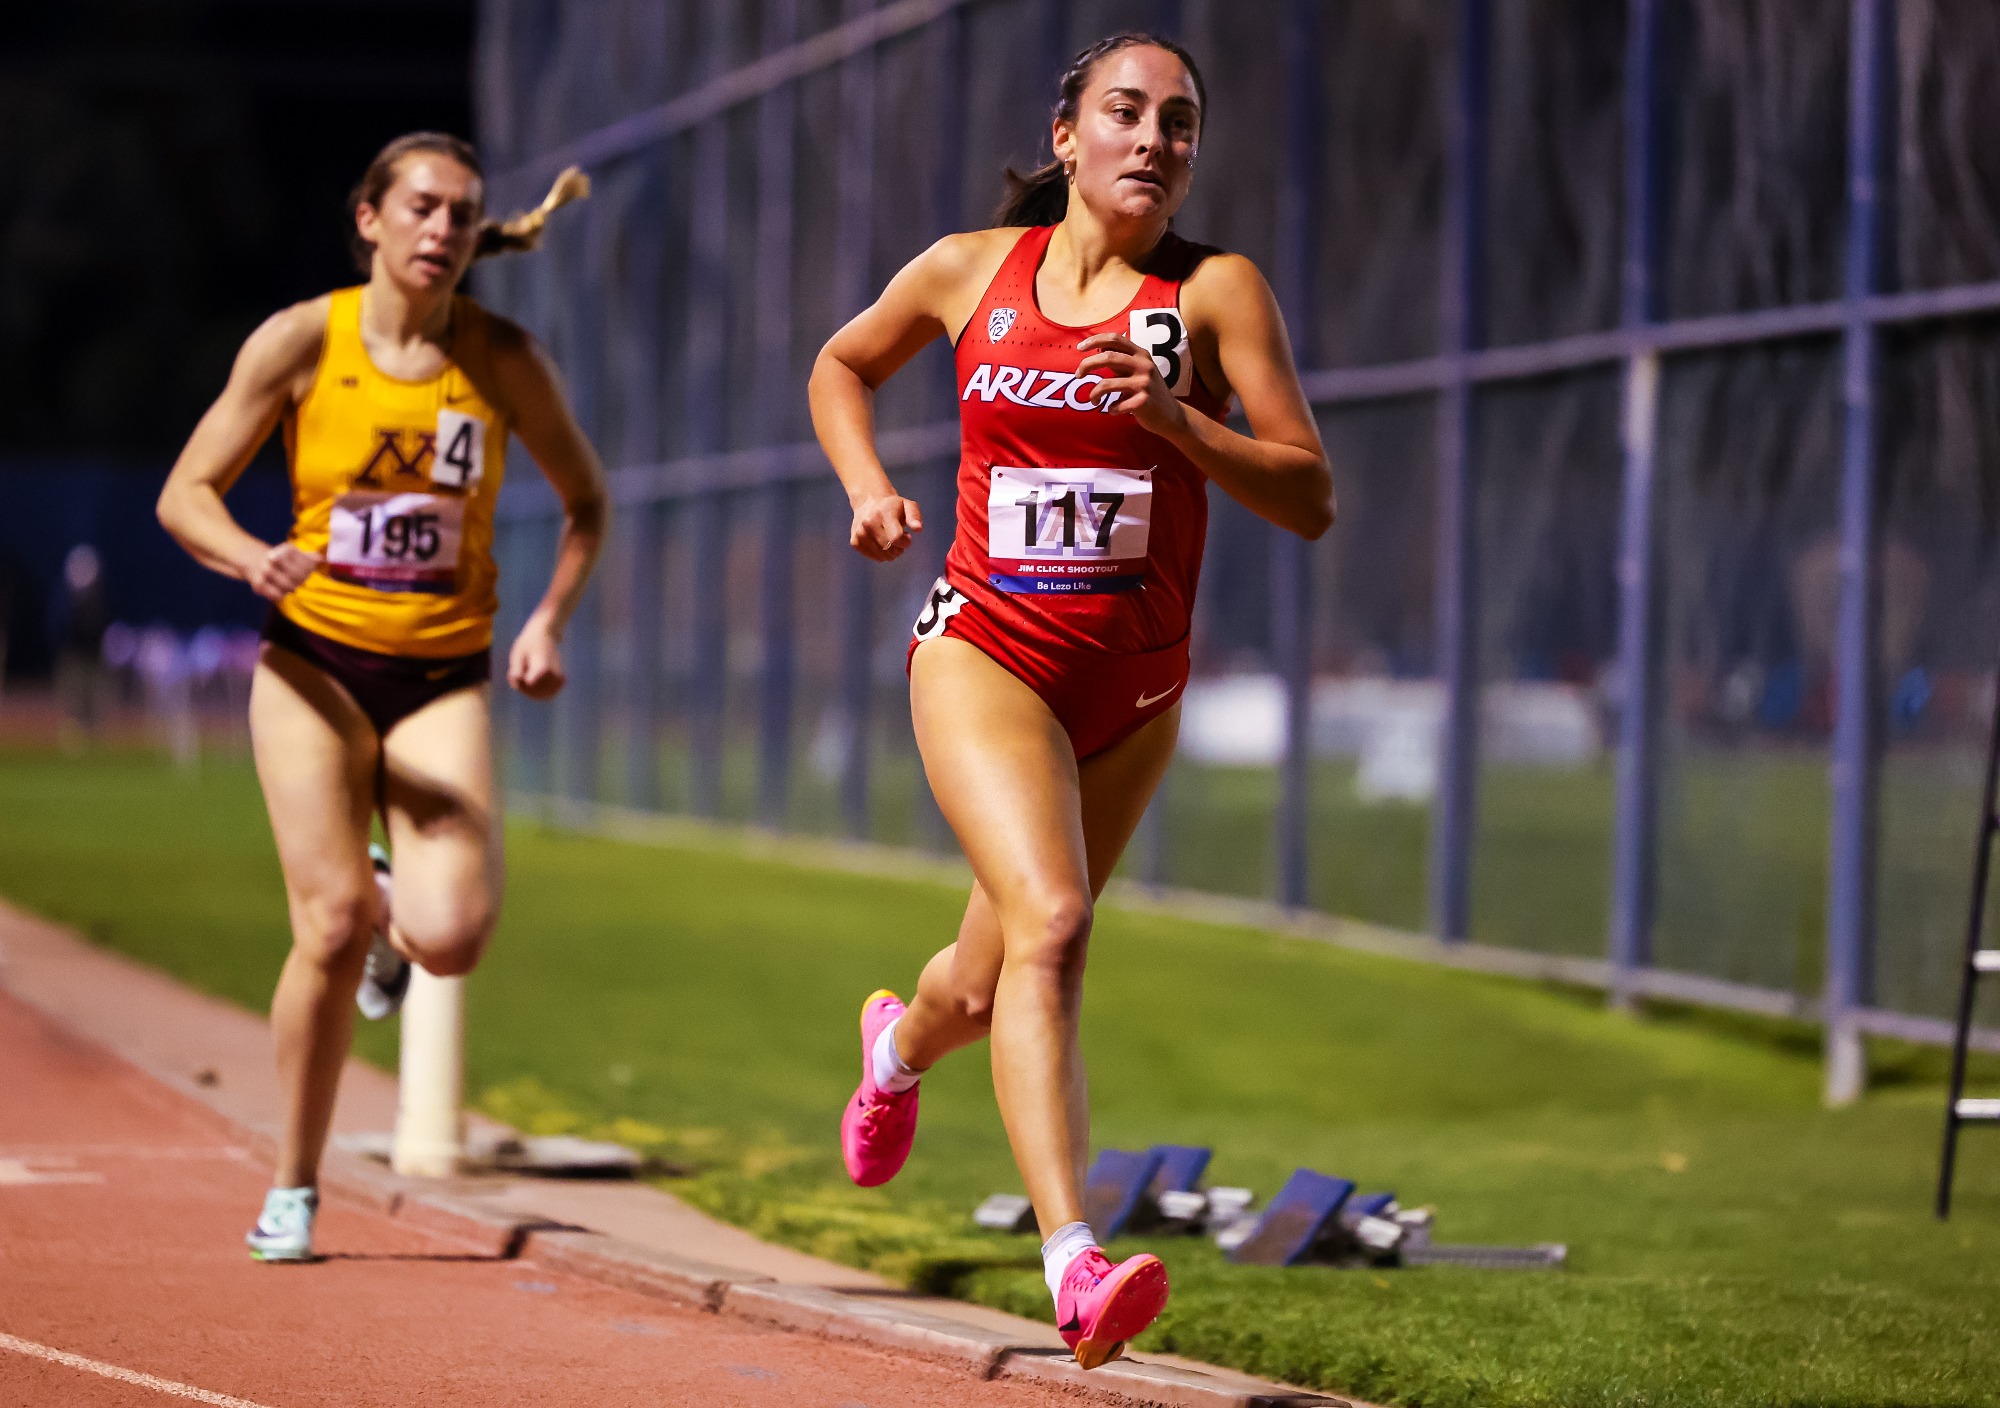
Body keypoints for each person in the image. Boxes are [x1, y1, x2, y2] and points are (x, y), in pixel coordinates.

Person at [809, 33, 1334, 1368]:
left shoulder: (1214, 295)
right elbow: (841, 365)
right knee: (1055, 921)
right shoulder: (968, 272)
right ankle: (1074, 1259)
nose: (1154, 140)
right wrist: (869, 489)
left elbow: (1311, 495)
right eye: (1125, 112)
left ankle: (894, 1051)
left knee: (984, 985)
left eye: (1179, 122)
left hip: (1136, 693)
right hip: (986, 653)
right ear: (1066, 136)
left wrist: (1180, 425)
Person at [157, 132, 607, 1262]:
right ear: (369, 218)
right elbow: (184, 495)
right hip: (312, 663)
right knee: (326, 928)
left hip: (441, 671)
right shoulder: (305, 339)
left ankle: (391, 905)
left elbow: (586, 503)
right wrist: (251, 556)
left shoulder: (502, 358)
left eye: (461, 214)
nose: (441, 230)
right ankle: (294, 1184)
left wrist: (548, 618)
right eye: (419, 207)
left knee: (449, 935)